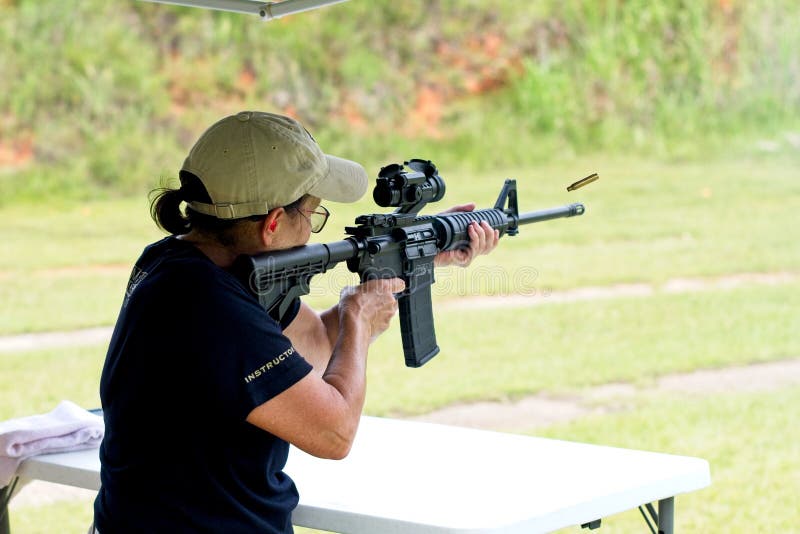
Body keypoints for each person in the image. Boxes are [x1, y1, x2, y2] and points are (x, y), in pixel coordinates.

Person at [92, 111, 499, 533]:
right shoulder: (211, 307)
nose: (311, 230)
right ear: (272, 224)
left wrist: (410, 260)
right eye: (312, 214)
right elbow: (334, 434)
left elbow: (316, 343)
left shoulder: (173, 264)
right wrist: (358, 319)